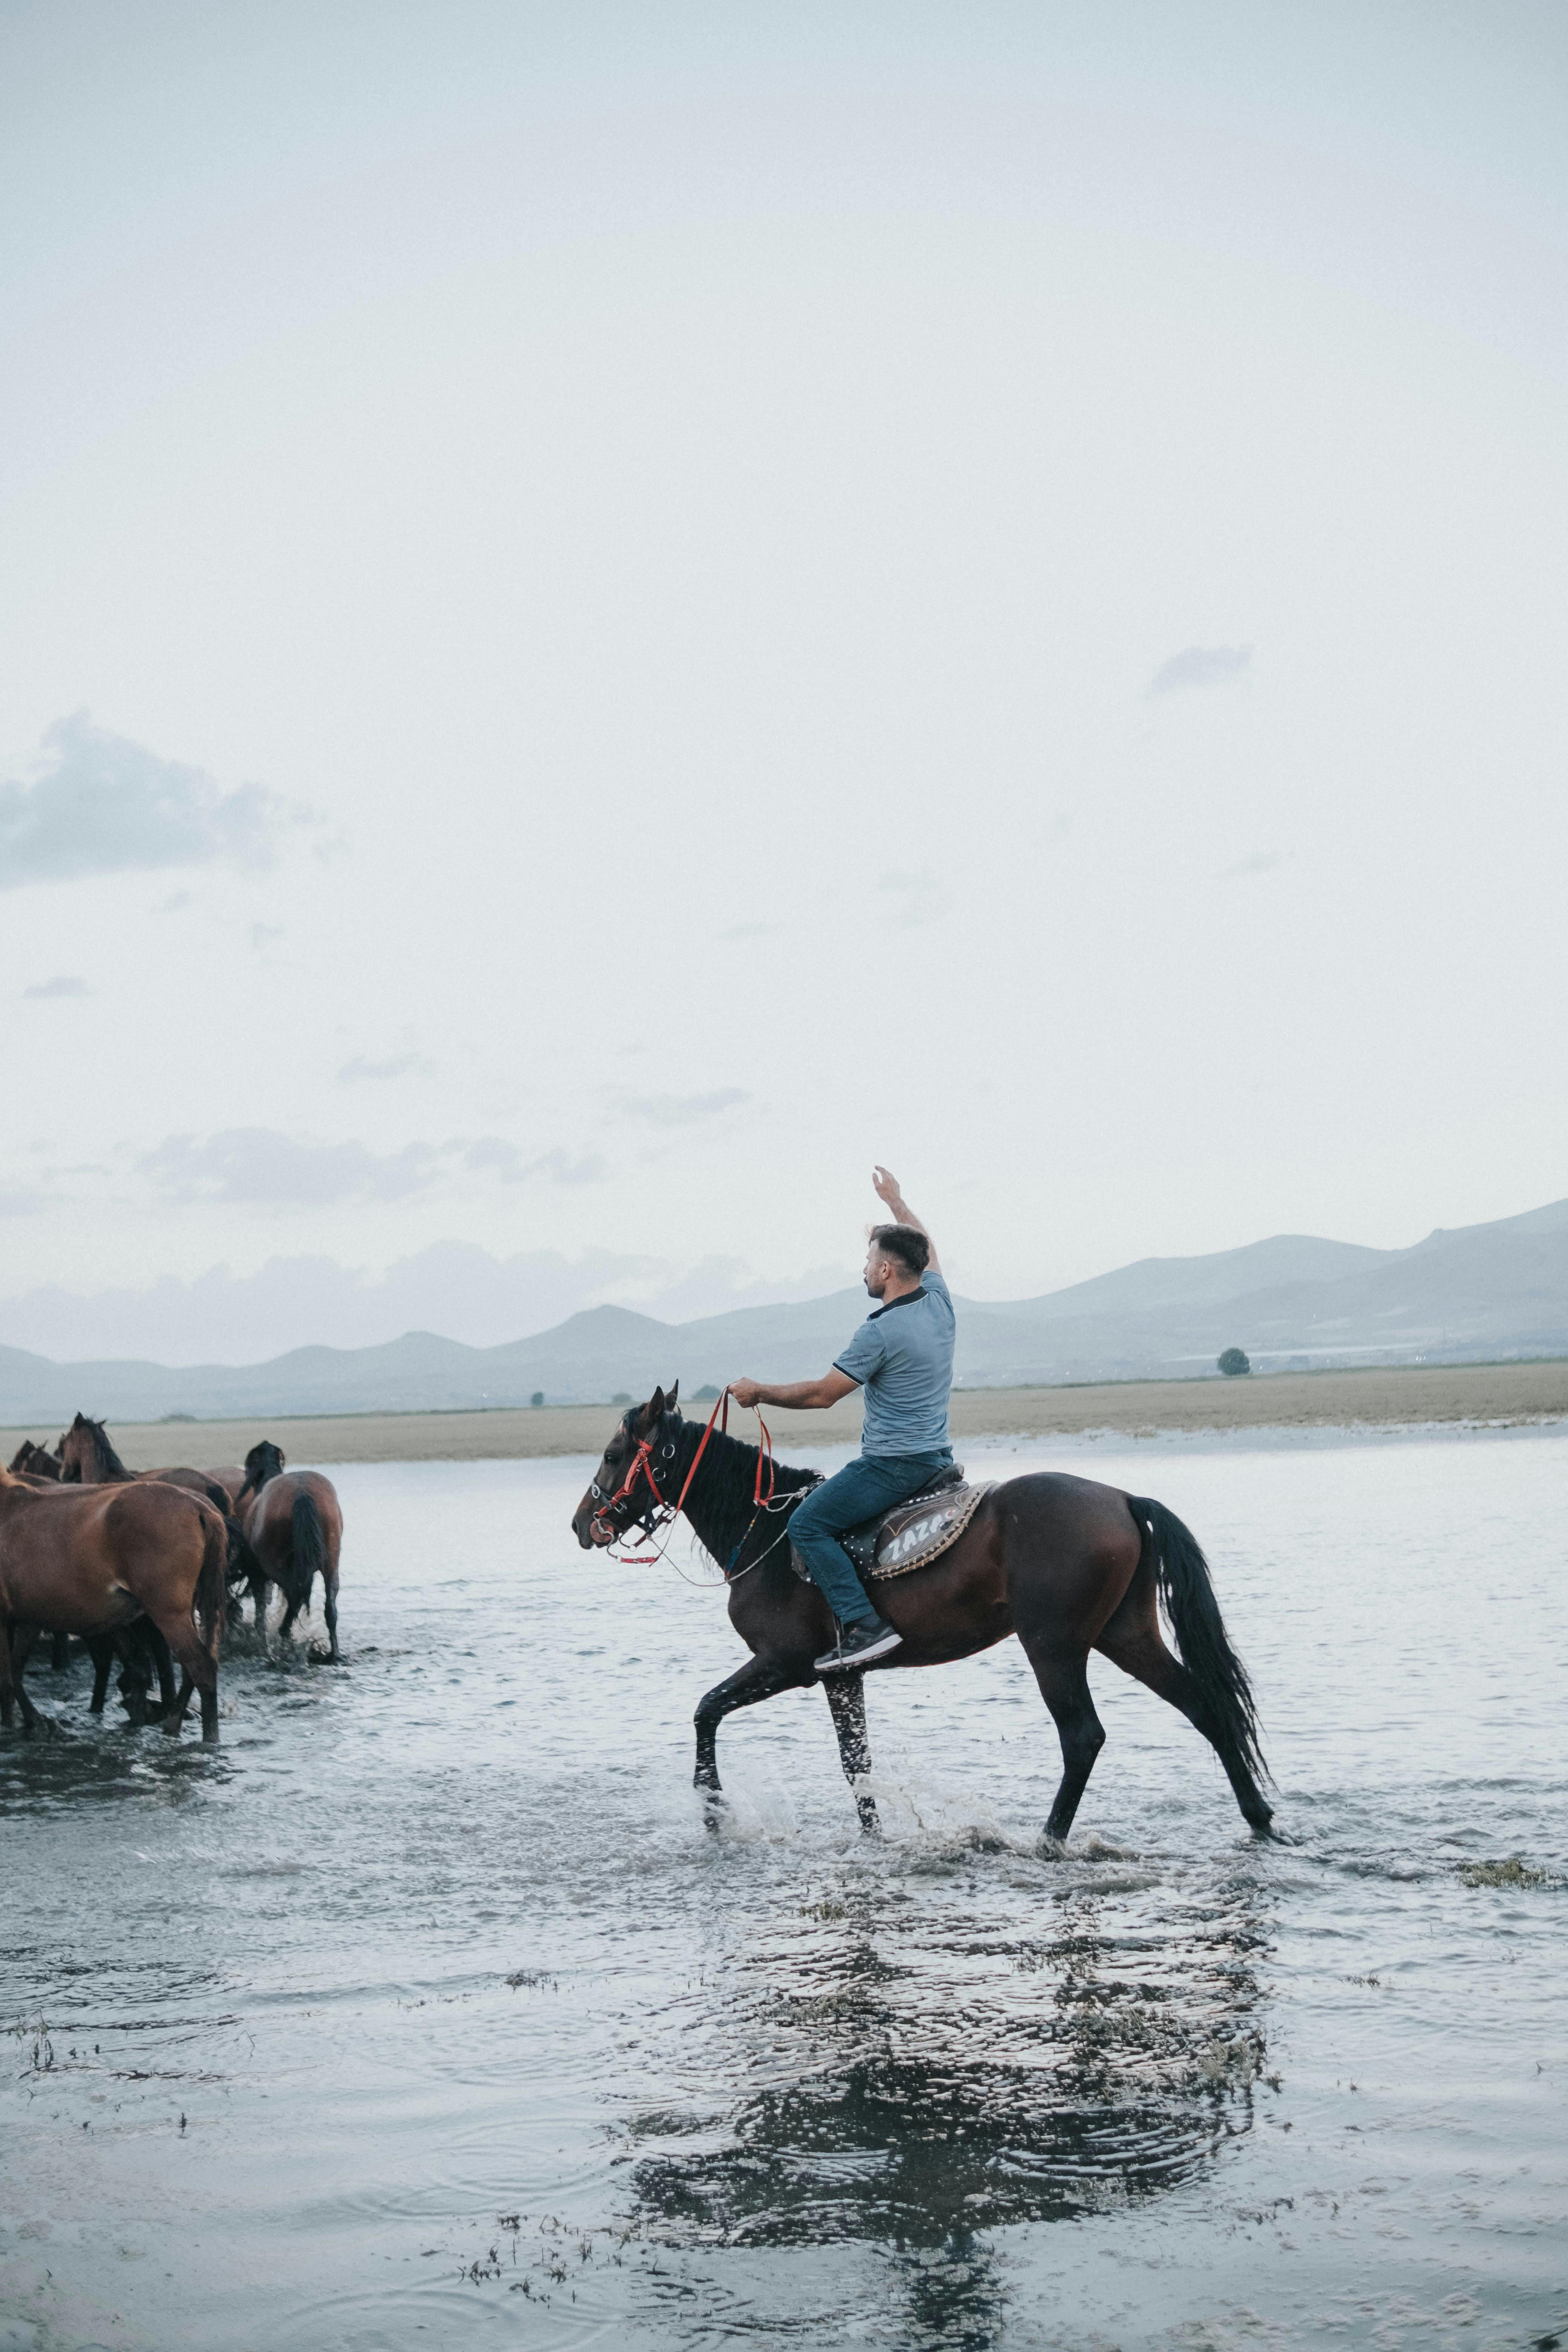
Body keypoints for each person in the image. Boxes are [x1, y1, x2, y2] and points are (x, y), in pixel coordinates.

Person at [730, 1167, 955, 1671]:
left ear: (887, 1273)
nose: (864, 1269)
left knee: (806, 1524)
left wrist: (759, 1392)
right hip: (938, 1456)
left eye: (869, 1261)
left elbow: (821, 1395)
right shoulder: (940, 1301)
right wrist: (896, 1202)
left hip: (893, 1464)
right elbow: (927, 1245)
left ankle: (863, 1626)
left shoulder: (879, 1332)